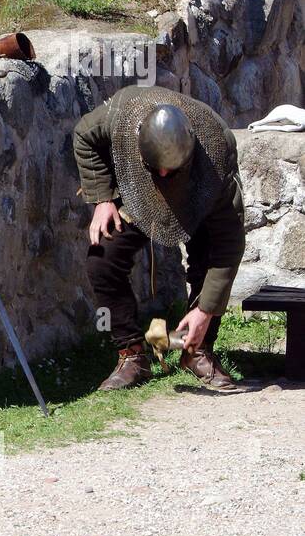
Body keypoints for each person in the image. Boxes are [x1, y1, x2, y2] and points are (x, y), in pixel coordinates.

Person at [74, 86, 245, 392]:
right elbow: (83, 135)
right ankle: (132, 357)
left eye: (172, 170)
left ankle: (198, 349)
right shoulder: (119, 119)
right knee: (103, 258)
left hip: (198, 200)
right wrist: (102, 198)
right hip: (139, 195)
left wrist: (206, 310)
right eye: (158, 168)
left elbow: (228, 242)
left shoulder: (217, 151)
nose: (165, 173)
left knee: (207, 260)